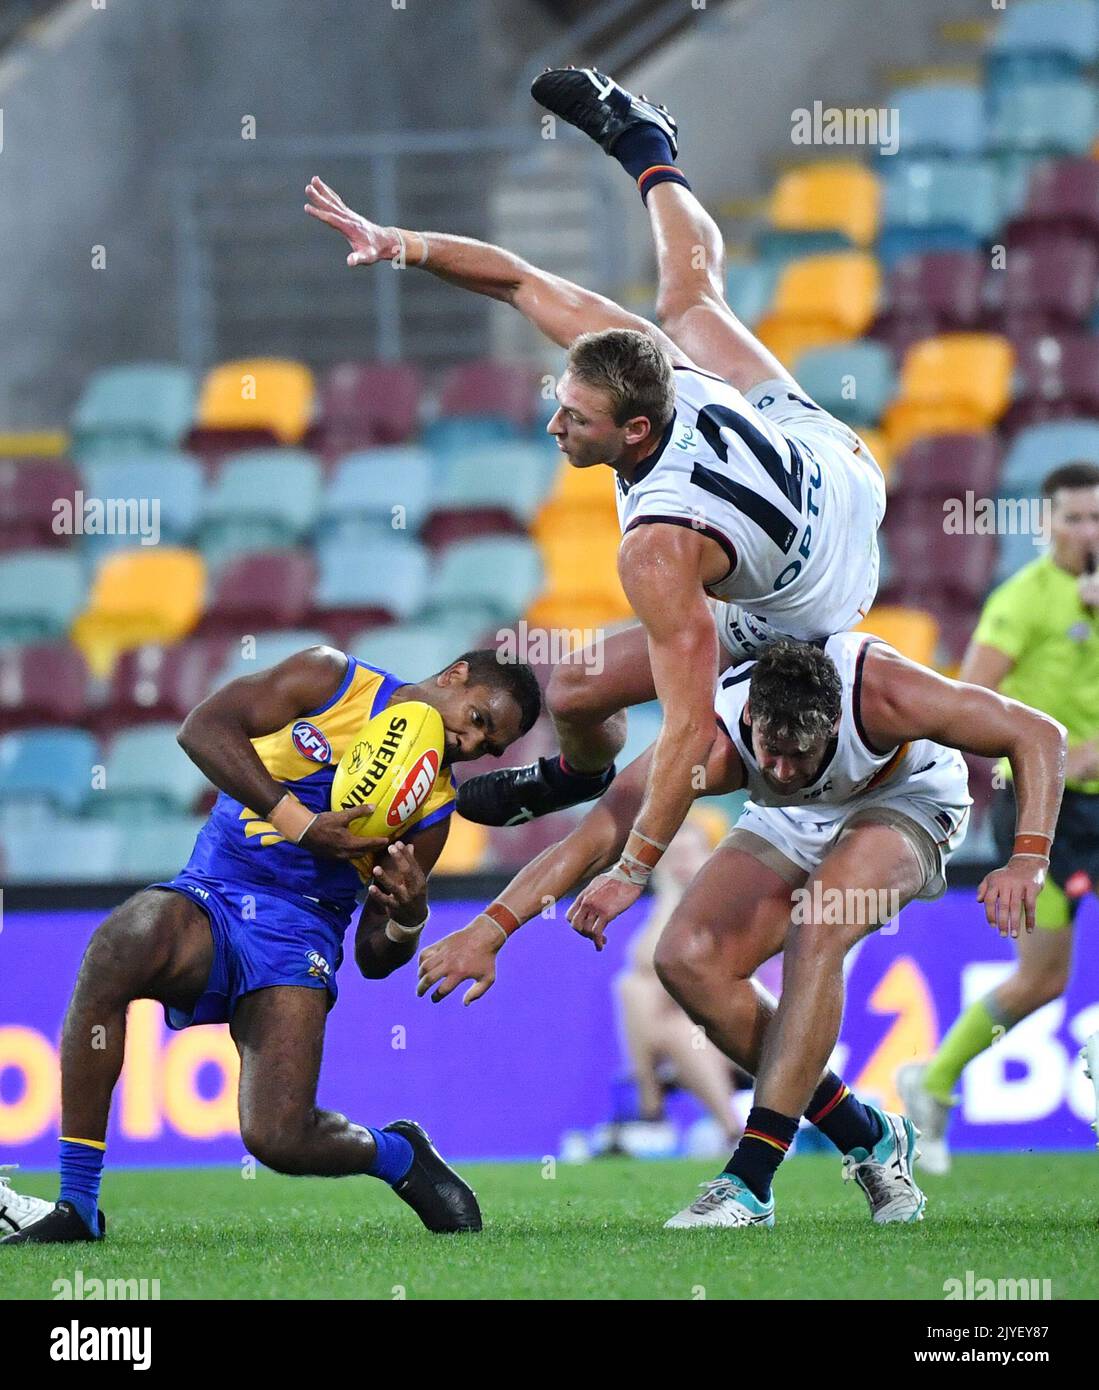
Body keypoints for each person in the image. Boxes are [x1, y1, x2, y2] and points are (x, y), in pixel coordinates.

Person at [304, 65, 885, 945]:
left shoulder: (656, 546)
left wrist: (632, 869)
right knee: (688, 301)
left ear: (638, 428)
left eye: (575, 421)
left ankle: (571, 785)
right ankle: (647, 143)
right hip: (829, 460)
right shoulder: (649, 362)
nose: (552, 426)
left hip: (811, 597)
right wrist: (401, 244)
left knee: (582, 691)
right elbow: (514, 280)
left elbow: (689, 730)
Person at [416, 634, 1065, 1228]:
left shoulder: (886, 693)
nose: (779, 769)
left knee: (821, 922)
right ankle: (864, 1131)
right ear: (750, 719)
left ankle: (749, 1182)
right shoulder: (710, 742)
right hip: (801, 815)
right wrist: (490, 929)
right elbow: (591, 840)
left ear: (833, 723)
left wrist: (1028, 859)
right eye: (769, 753)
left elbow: (1037, 735)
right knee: (684, 959)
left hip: (905, 801)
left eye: (797, 753)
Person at [1, 646, 540, 1244]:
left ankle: (397, 1154)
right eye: (480, 718)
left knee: (279, 1138)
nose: (470, 743)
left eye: (488, 746)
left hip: (301, 930)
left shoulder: (432, 809)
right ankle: (77, 1205)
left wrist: (409, 915)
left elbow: (371, 956)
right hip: (214, 889)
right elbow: (202, 728)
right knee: (115, 948)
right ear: (455, 674)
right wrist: (298, 821)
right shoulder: (332, 678)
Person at [899, 461, 1099, 1172]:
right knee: (1042, 979)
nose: (1087, 532)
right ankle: (932, 1080)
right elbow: (966, 698)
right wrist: (1054, 754)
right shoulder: (1022, 602)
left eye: (1097, 518)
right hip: (1044, 811)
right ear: (1045, 524)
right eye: (1074, 518)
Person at [609, 810, 744, 1155]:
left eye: (690, 854)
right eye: (674, 857)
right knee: (633, 988)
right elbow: (642, 962)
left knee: (677, 1028)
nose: (682, 864)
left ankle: (732, 1132)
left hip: (749, 1021)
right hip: (696, 1024)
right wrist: (669, 894)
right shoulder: (673, 905)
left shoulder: (733, 900)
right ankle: (651, 1106)